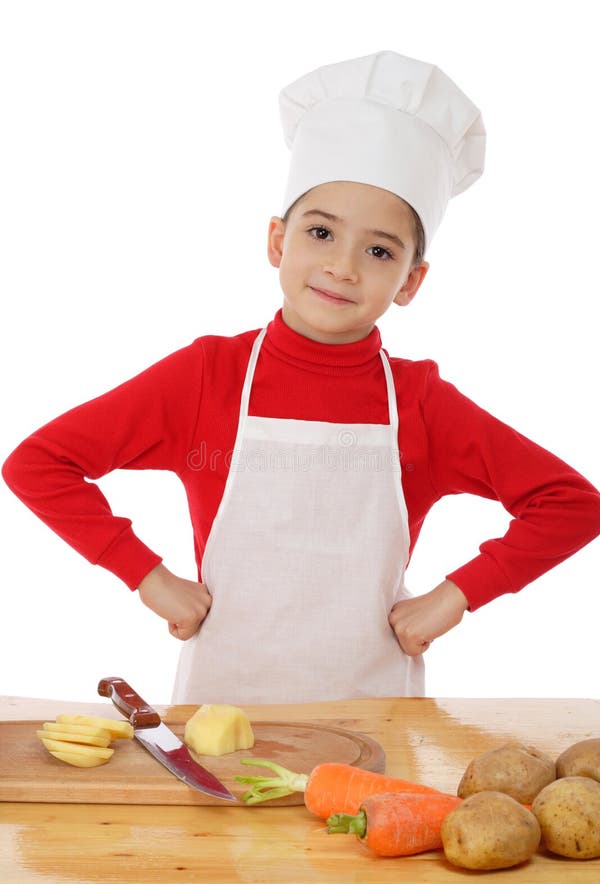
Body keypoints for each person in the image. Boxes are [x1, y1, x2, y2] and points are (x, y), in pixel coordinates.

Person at [3, 51, 600, 704]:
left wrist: (455, 598)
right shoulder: (208, 377)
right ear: (277, 242)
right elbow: (40, 462)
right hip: (222, 718)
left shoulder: (420, 404)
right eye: (321, 233)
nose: (343, 267)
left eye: (379, 250)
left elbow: (571, 505)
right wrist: (146, 576)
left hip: (375, 729)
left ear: (411, 282)